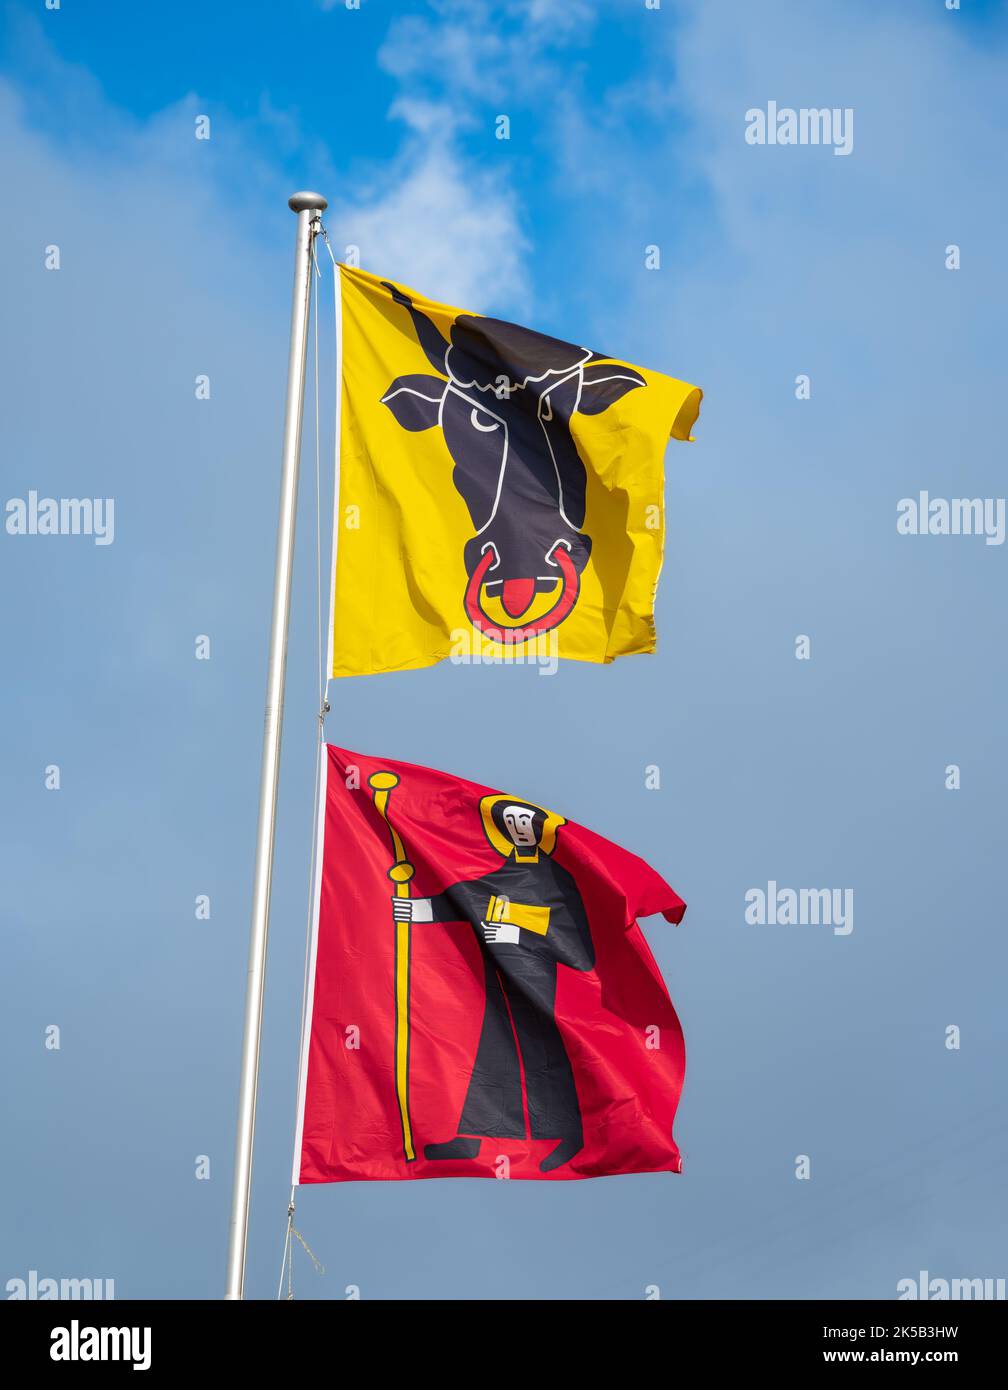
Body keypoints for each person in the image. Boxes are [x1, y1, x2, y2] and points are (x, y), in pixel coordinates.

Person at [393, 797, 595, 1172]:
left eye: (524, 822)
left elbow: (580, 951)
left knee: (543, 1052)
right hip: (498, 981)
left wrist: (517, 933)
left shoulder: (557, 882)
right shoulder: (500, 877)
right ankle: (473, 1136)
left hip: (535, 984)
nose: (517, 829)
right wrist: (418, 910)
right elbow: (464, 898)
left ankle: (569, 1134)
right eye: (510, 823)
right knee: (494, 1052)